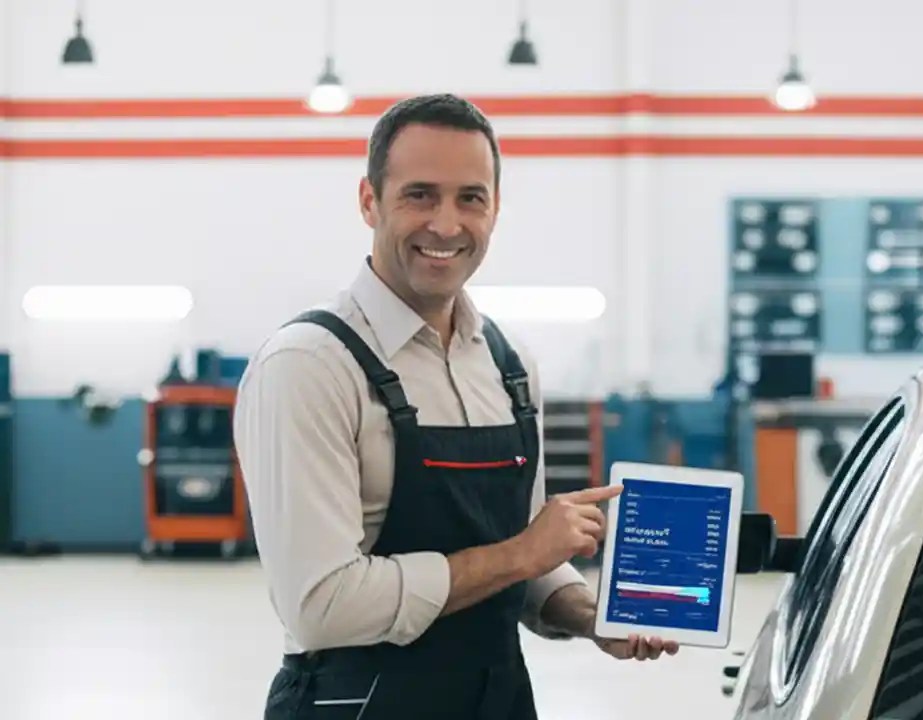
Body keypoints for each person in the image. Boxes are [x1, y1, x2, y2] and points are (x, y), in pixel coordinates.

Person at [233, 93, 679, 720]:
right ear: (369, 201)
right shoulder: (309, 365)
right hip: (356, 702)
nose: (446, 224)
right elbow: (321, 607)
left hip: (496, 699)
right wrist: (522, 555)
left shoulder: (508, 362)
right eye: (420, 195)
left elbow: (527, 563)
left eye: (470, 197)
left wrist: (589, 615)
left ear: (495, 208)